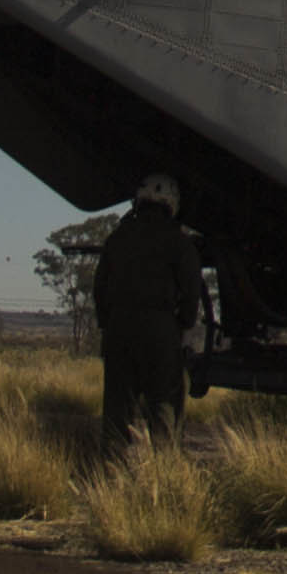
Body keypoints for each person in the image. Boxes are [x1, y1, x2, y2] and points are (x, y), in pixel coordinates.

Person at [92, 177, 201, 446]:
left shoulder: (117, 238)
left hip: (119, 331)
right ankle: (164, 478)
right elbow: (191, 291)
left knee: (116, 413)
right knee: (165, 412)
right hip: (161, 333)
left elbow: (99, 288)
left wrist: (109, 324)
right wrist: (183, 327)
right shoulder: (179, 241)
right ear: (172, 203)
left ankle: (111, 476)